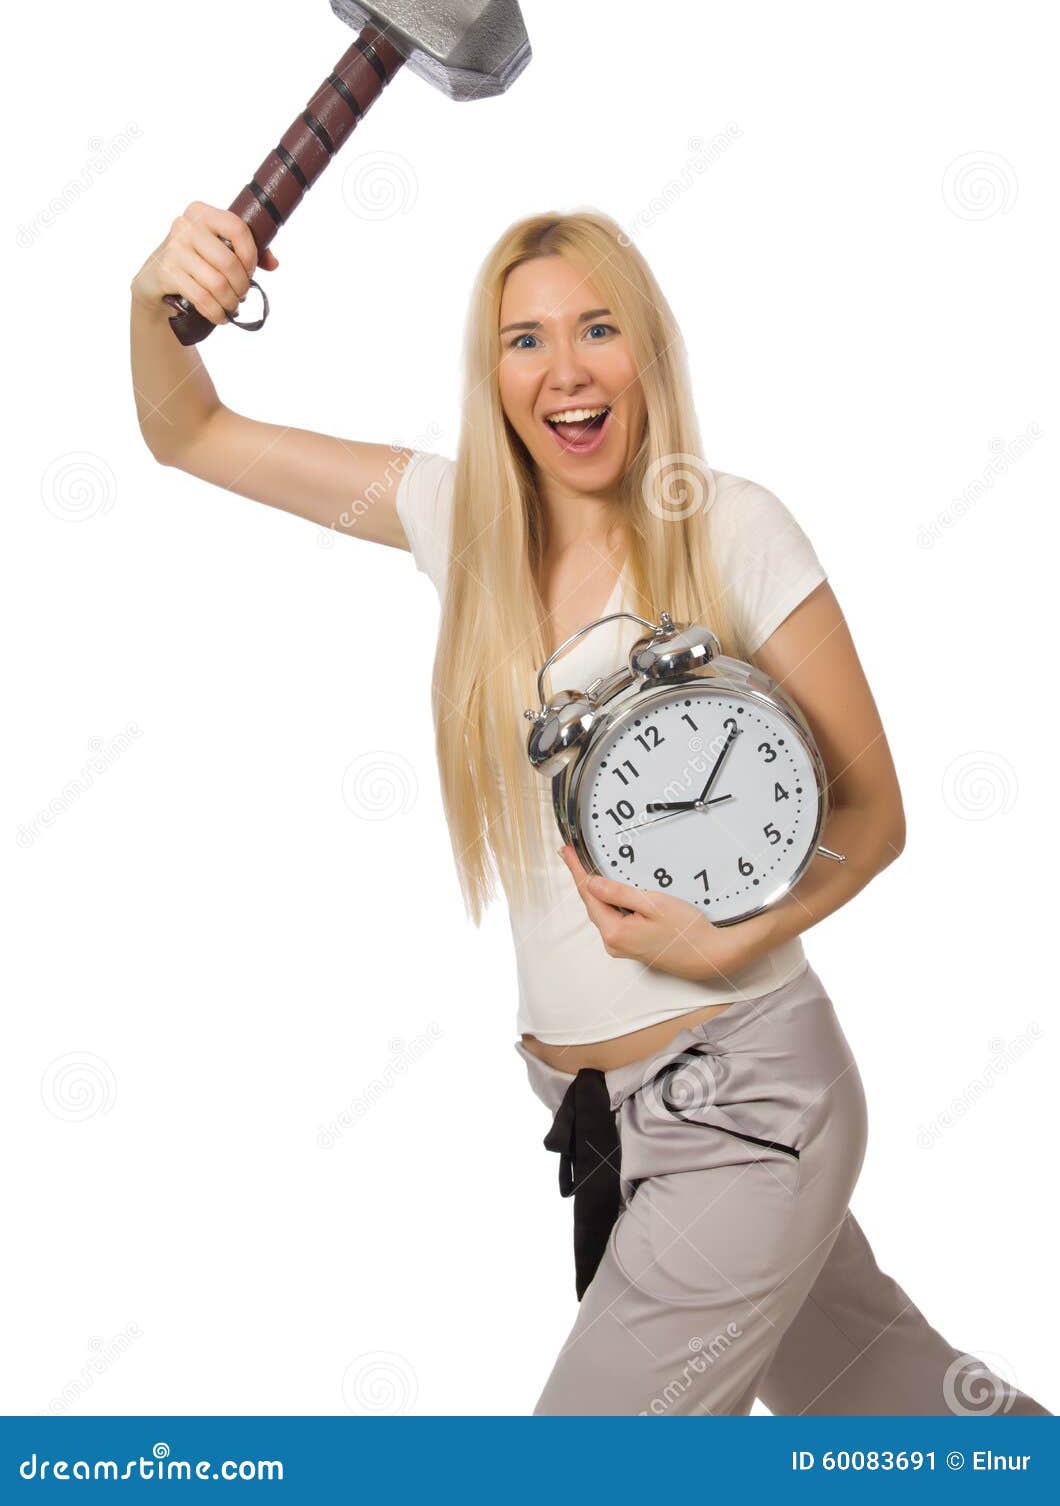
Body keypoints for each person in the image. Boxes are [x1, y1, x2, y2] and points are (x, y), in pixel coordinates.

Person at [130, 203, 1050, 1418]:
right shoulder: (455, 521)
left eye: (597, 328)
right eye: (524, 340)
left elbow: (873, 815)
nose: (564, 369)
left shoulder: (732, 526)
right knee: (906, 1407)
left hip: (743, 1103)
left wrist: (718, 938)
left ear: (646, 352)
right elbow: (186, 429)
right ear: (493, 374)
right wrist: (154, 303)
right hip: (612, 1120)